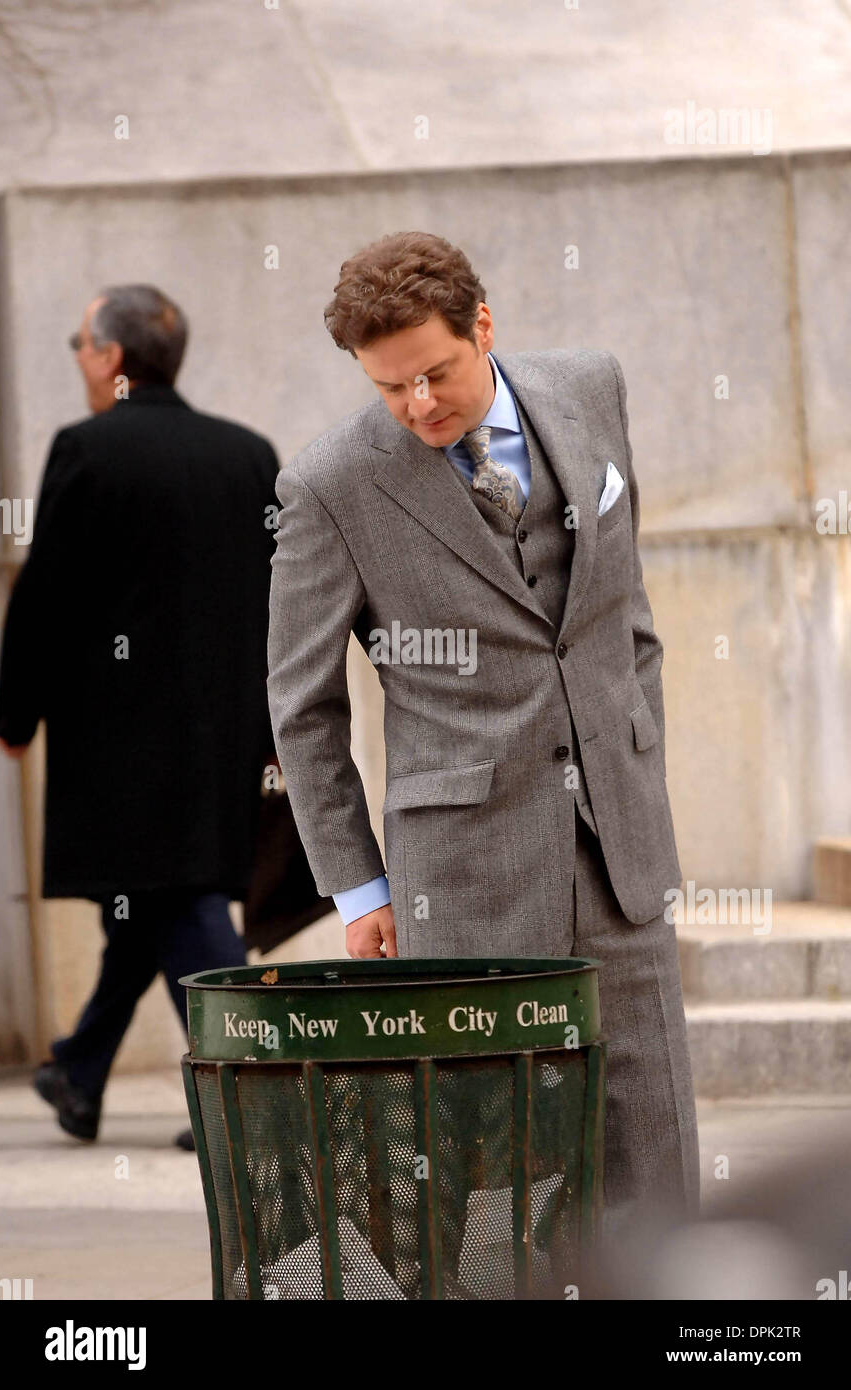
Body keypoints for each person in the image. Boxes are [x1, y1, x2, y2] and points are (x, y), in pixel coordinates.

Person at [266, 231, 700, 1237]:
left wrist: (637, 768)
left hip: (618, 852)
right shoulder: (327, 484)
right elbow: (301, 704)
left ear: (484, 327)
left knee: (655, 1148)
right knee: (484, 1172)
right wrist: (361, 888)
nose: (418, 404)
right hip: (456, 874)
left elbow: (624, 617)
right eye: (389, 388)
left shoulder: (592, 389)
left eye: (434, 373)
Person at [0, 285, 279, 1148]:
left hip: (124, 744)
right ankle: (77, 1074)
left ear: (112, 357)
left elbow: (45, 594)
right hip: (231, 732)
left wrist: (15, 711)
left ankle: (254, 1085)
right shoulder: (248, 453)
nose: (79, 358)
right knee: (150, 898)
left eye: (80, 343)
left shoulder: (89, 449)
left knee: (174, 894)